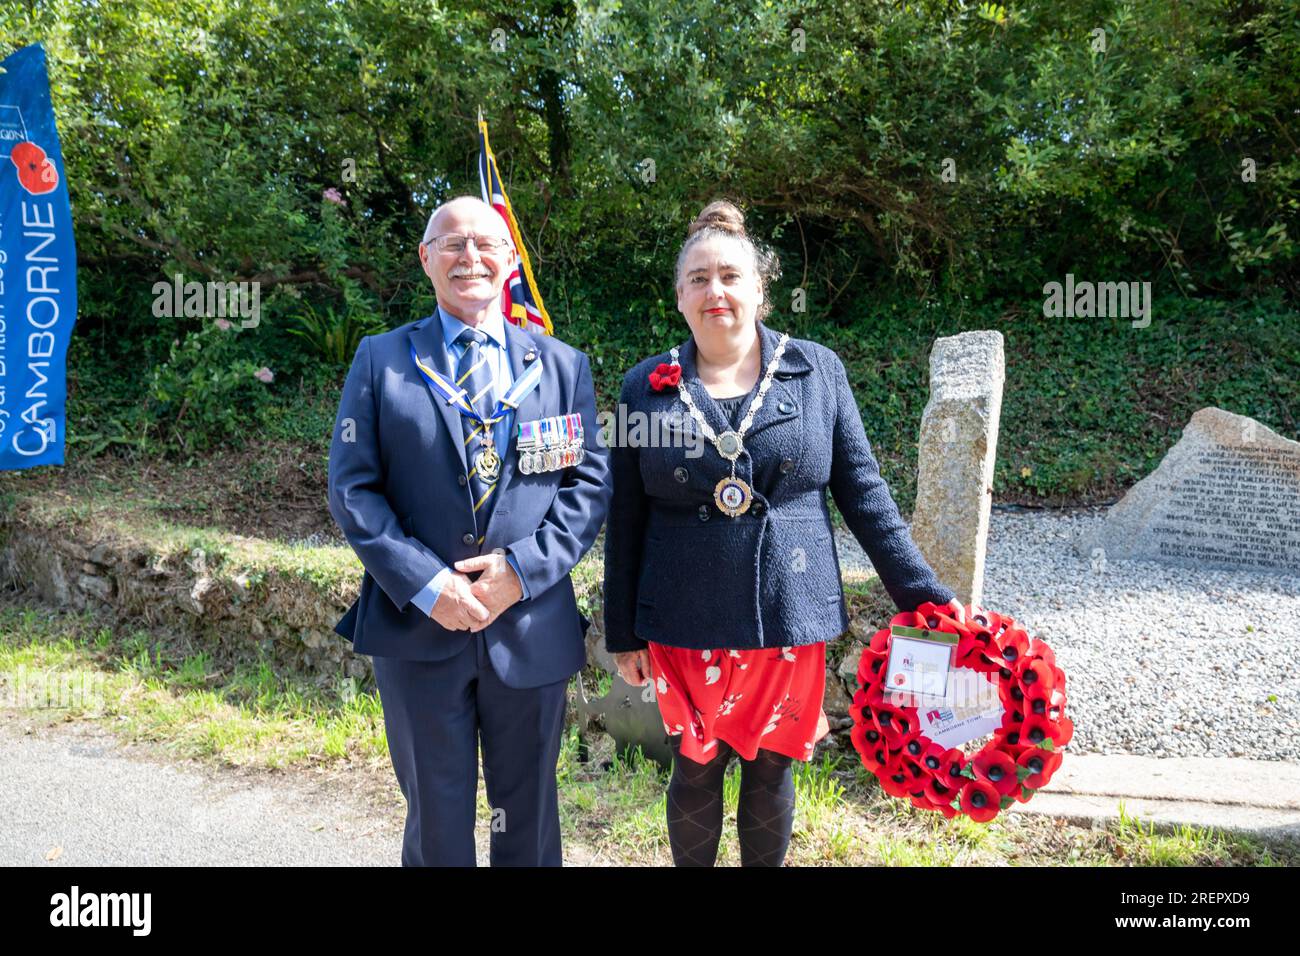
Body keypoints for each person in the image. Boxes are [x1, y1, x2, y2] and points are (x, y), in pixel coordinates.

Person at [602, 200, 963, 867]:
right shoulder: (645, 387)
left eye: (731, 276)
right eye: (700, 278)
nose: (717, 291)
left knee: (771, 773)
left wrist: (924, 596)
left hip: (789, 615)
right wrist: (621, 630)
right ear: (680, 296)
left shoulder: (818, 371)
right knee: (696, 768)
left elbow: (864, 494)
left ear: (760, 290)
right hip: (684, 619)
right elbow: (625, 516)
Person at [328, 196, 610, 866]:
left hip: (531, 626)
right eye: (451, 243)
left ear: (510, 261)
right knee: (438, 819)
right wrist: (425, 584)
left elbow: (587, 486)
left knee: (529, 817)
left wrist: (522, 572)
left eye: (486, 244)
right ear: (426, 259)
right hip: (419, 631)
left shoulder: (562, 366)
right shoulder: (380, 360)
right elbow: (353, 489)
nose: (469, 257)